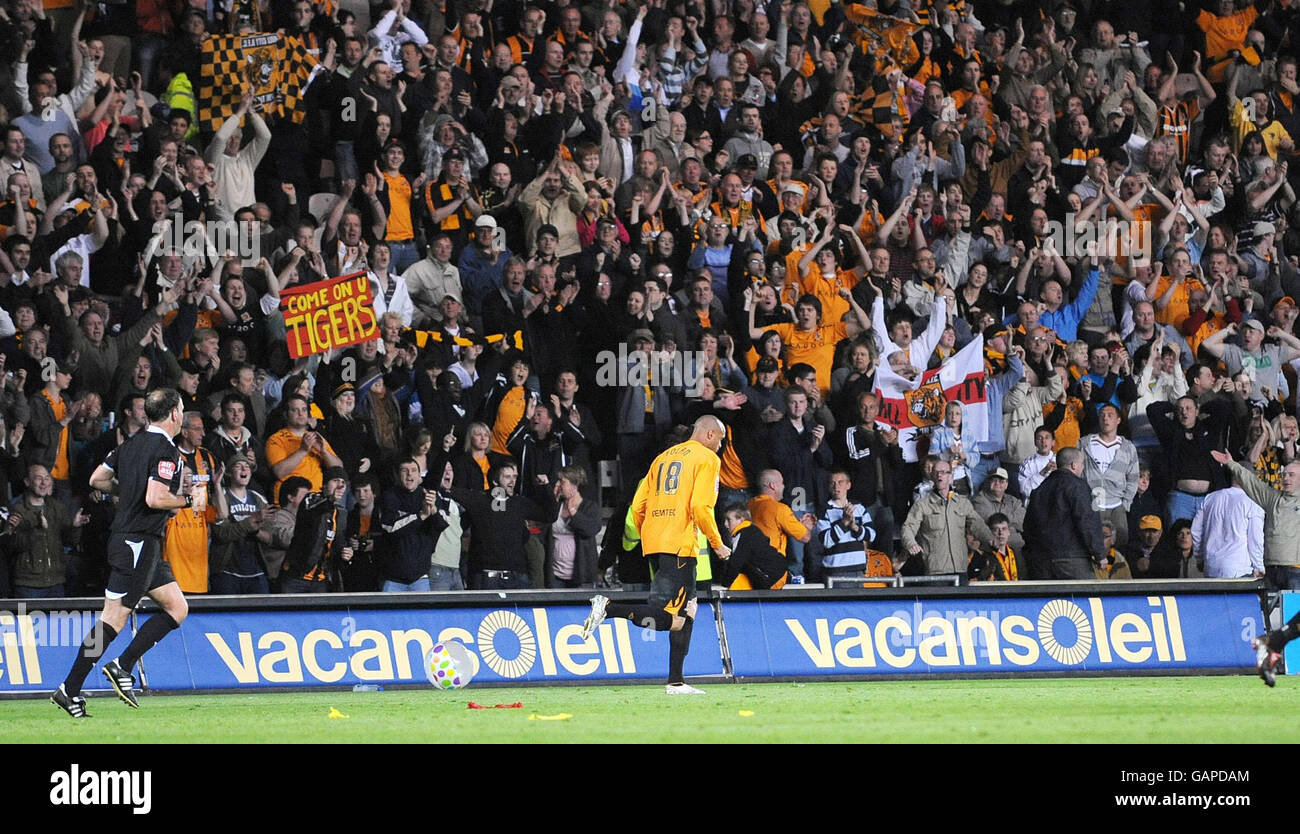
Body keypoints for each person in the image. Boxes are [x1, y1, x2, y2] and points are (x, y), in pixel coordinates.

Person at [52, 388, 204, 717]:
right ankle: (70, 688)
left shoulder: (129, 444)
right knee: (113, 619)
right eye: (182, 410)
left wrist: (129, 490)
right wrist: (187, 500)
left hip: (141, 543)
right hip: (137, 543)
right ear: (175, 414)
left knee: (177, 607)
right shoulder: (167, 450)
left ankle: (122, 665)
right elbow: (155, 499)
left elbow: (98, 478)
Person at [581, 415, 732, 695]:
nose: (721, 447)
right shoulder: (707, 459)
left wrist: (651, 533)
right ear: (710, 435)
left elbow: (638, 506)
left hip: (655, 542)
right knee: (673, 617)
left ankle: (676, 681)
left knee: (688, 610)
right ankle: (609, 608)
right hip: (679, 545)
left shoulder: (662, 458)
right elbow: (701, 506)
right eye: (721, 440)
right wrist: (718, 542)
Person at [1022, 447, 1105, 579]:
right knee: (1084, 598)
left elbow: (1027, 526)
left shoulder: (1039, 489)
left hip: (1040, 561)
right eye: (1082, 464)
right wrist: (1099, 554)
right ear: (1074, 465)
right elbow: (1087, 521)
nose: (1083, 468)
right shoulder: (1078, 486)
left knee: (1049, 600)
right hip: (1072, 560)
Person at [901, 459, 993, 576]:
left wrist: (990, 539)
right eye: (936, 472)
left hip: (960, 568)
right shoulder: (922, 505)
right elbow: (908, 527)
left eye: (944, 472)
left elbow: (978, 525)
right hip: (935, 570)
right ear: (932, 476)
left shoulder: (963, 503)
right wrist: (911, 544)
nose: (940, 475)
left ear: (951, 476)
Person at [1190, 468, 1264, 579]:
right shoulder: (1253, 503)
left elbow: (1195, 530)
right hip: (1239, 570)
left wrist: (1200, 558)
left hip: (1211, 567)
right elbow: (1255, 539)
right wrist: (1259, 567)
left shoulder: (1210, 498)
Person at [721, 503, 789, 590]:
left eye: (729, 520)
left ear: (741, 520)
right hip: (778, 572)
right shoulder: (752, 530)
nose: (725, 524)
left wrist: (724, 583)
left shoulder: (743, 534)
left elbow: (736, 563)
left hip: (773, 576)